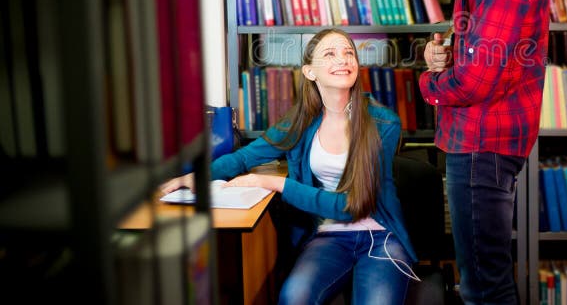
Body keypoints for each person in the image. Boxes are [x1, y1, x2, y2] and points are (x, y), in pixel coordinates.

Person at [162, 28, 418, 305]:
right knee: (293, 297)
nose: (343, 59)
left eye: (348, 53)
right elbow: (244, 157)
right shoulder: (300, 123)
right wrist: (194, 178)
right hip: (328, 236)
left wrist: (274, 182)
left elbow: (353, 205)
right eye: (330, 54)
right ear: (310, 72)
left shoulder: (383, 123)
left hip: (381, 237)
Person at [409, 0, 550, 304]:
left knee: (483, 288)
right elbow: (493, 47)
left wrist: (429, 84)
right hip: (496, 133)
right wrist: (451, 52)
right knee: (488, 277)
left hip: (481, 140)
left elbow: (475, 81)